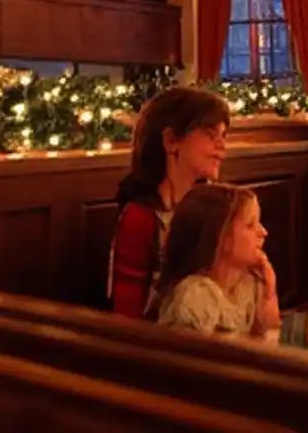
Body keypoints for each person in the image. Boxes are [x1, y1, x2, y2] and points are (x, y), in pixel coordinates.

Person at [108, 87, 230, 318]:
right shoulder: (141, 217)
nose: (222, 145)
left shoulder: (213, 206)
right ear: (171, 140)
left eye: (223, 135)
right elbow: (127, 316)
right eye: (210, 134)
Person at [154, 183, 281, 337]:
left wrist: (269, 297)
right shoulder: (195, 298)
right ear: (221, 237)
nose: (263, 232)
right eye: (250, 225)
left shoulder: (250, 288)